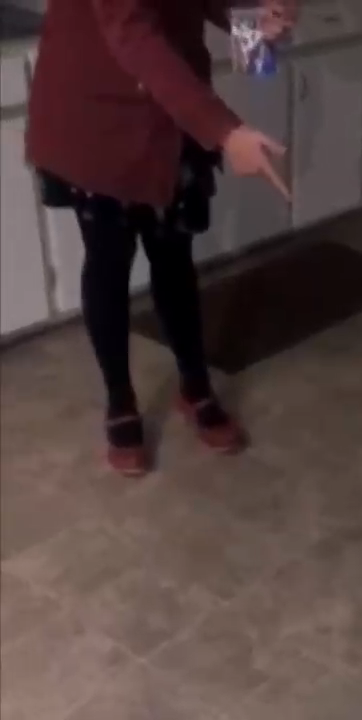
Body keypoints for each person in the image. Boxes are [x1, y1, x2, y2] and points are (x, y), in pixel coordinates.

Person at [26, 0, 296, 477]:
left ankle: (195, 386)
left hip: (171, 108)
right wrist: (226, 131)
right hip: (98, 113)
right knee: (108, 259)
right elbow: (131, 31)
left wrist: (256, 24)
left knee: (173, 255)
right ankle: (120, 401)